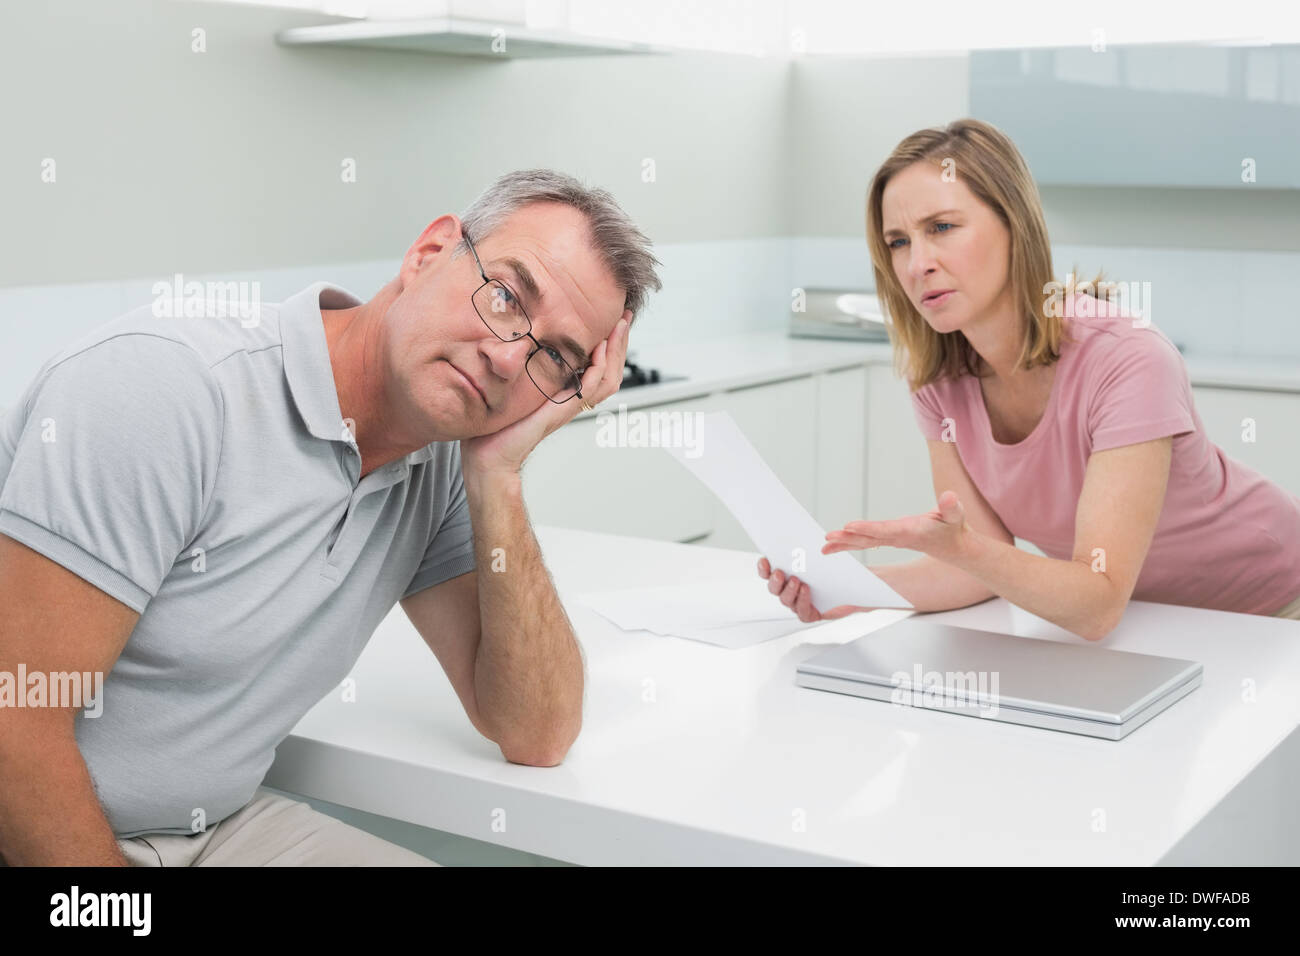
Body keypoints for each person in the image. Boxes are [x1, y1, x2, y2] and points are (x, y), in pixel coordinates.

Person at [0, 169, 661, 866]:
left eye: (552, 358)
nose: (505, 357)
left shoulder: (437, 461)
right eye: (504, 295)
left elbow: (538, 733)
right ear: (429, 253)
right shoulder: (168, 387)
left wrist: (499, 475)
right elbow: (15, 729)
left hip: (213, 830)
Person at [759, 118, 1300, 637]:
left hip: (1276, 606)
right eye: (898, 241)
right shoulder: (938, 381)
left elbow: (1096, 601)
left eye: (942, 228)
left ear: (1014, 223)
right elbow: (974, 570)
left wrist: (960, 545)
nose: (916, 263)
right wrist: (845, 590)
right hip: (1157, 622)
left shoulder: (1128, 358)